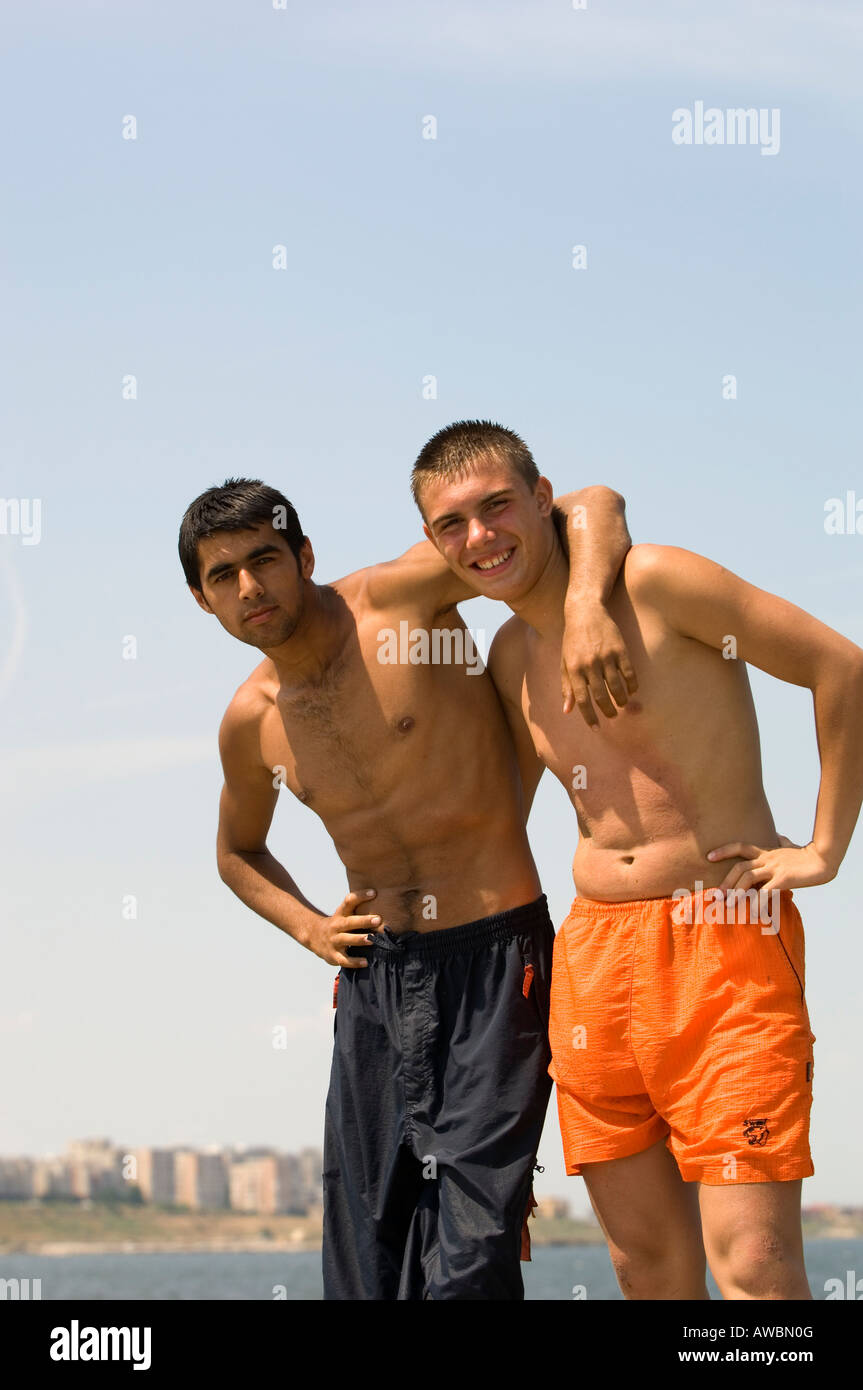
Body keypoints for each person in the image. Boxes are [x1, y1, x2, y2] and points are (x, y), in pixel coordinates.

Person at [414, 418, 863, 1301]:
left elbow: (839, 667)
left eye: (497, 505)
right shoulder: (508, 656)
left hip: (720, 937)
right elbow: (495, 830)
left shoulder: (657, 582)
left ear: (544, 502)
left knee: (755, 1271)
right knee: (645, 1270)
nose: (478, 537)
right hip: (592, 963)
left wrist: (822, 848)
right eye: (450, 524)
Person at [178, 474, 633, 1300]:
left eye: (265, 559)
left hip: (496, 960)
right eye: (221, 576)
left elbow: (585, 504)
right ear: (202, 603)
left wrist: (585, 609)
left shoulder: (398, 602)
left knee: (469, 1254)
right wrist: (312, 928)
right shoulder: (250, 721)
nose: (250, 587)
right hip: (375, 982)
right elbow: (237, 852)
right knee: (364, 1264)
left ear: (304, 555)